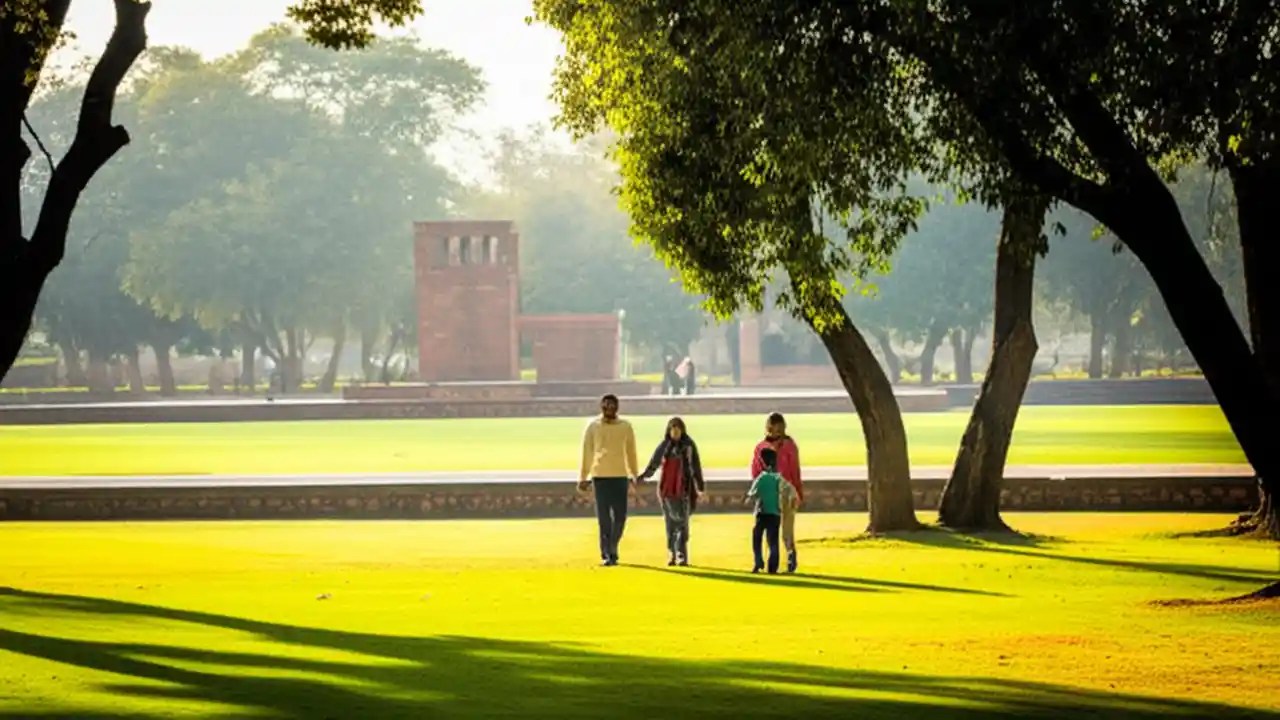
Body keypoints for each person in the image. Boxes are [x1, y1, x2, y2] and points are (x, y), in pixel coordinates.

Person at [578, 394, 639, 566]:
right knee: (604, 518)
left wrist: (634, 474)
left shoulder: (625, 426)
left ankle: (613, 546)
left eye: (612, 406)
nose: (609, 409)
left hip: (619, 476)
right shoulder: (593, 426)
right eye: (606, 406)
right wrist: (583, 476)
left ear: (617, 407)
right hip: (600, 476)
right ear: (602, 407)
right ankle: (607, 553)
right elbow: (587, 452)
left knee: (620, 517)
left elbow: (631, 451)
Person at [637, 416, 705, 566]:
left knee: (682, 522)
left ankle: (681, 554)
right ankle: (672, 553)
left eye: (677, 429)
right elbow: (654, 463)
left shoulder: (688, 445)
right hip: (666, 490)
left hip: (683, 489)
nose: (675, 433)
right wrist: (643, 477)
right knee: (670, 523)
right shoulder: (664, 446)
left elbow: (695, 466)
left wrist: (700, 487)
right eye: (672, 430)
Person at [751, 412, 803, 573]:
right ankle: (770, 563)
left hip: (787, 490)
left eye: (780, 427)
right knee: (770, 528)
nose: (778, 430)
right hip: (770, 492)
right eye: (774, 427)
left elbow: (795, 469)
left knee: (787, 528)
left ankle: (790, 555)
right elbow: (756, 472)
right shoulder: (761, 447)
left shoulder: (789, 445)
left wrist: (798, 492)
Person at [746, 447, 796, 574]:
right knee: (773, 541)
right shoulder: (779, 479)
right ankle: (772, 568)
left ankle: (758, 561)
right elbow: (790, 493)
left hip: (762, 513)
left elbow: (752, 495)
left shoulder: (761, 478)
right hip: (775, 514)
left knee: (757, 537)